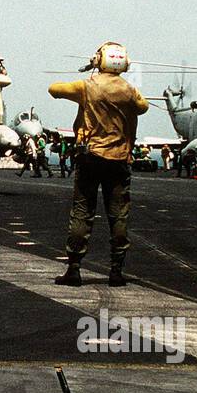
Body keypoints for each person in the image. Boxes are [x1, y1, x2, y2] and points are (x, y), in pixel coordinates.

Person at [48, 41, 149, 287]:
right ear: (124, 63)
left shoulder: (86, 86)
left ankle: (74, 268)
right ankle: (116, 270)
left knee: (82, 212)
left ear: (99, 60)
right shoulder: (130, 90)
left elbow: (54, 89)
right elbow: (143, 107)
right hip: (119, 159)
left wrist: (88, 74)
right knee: (118, 215)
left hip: (90, 157)